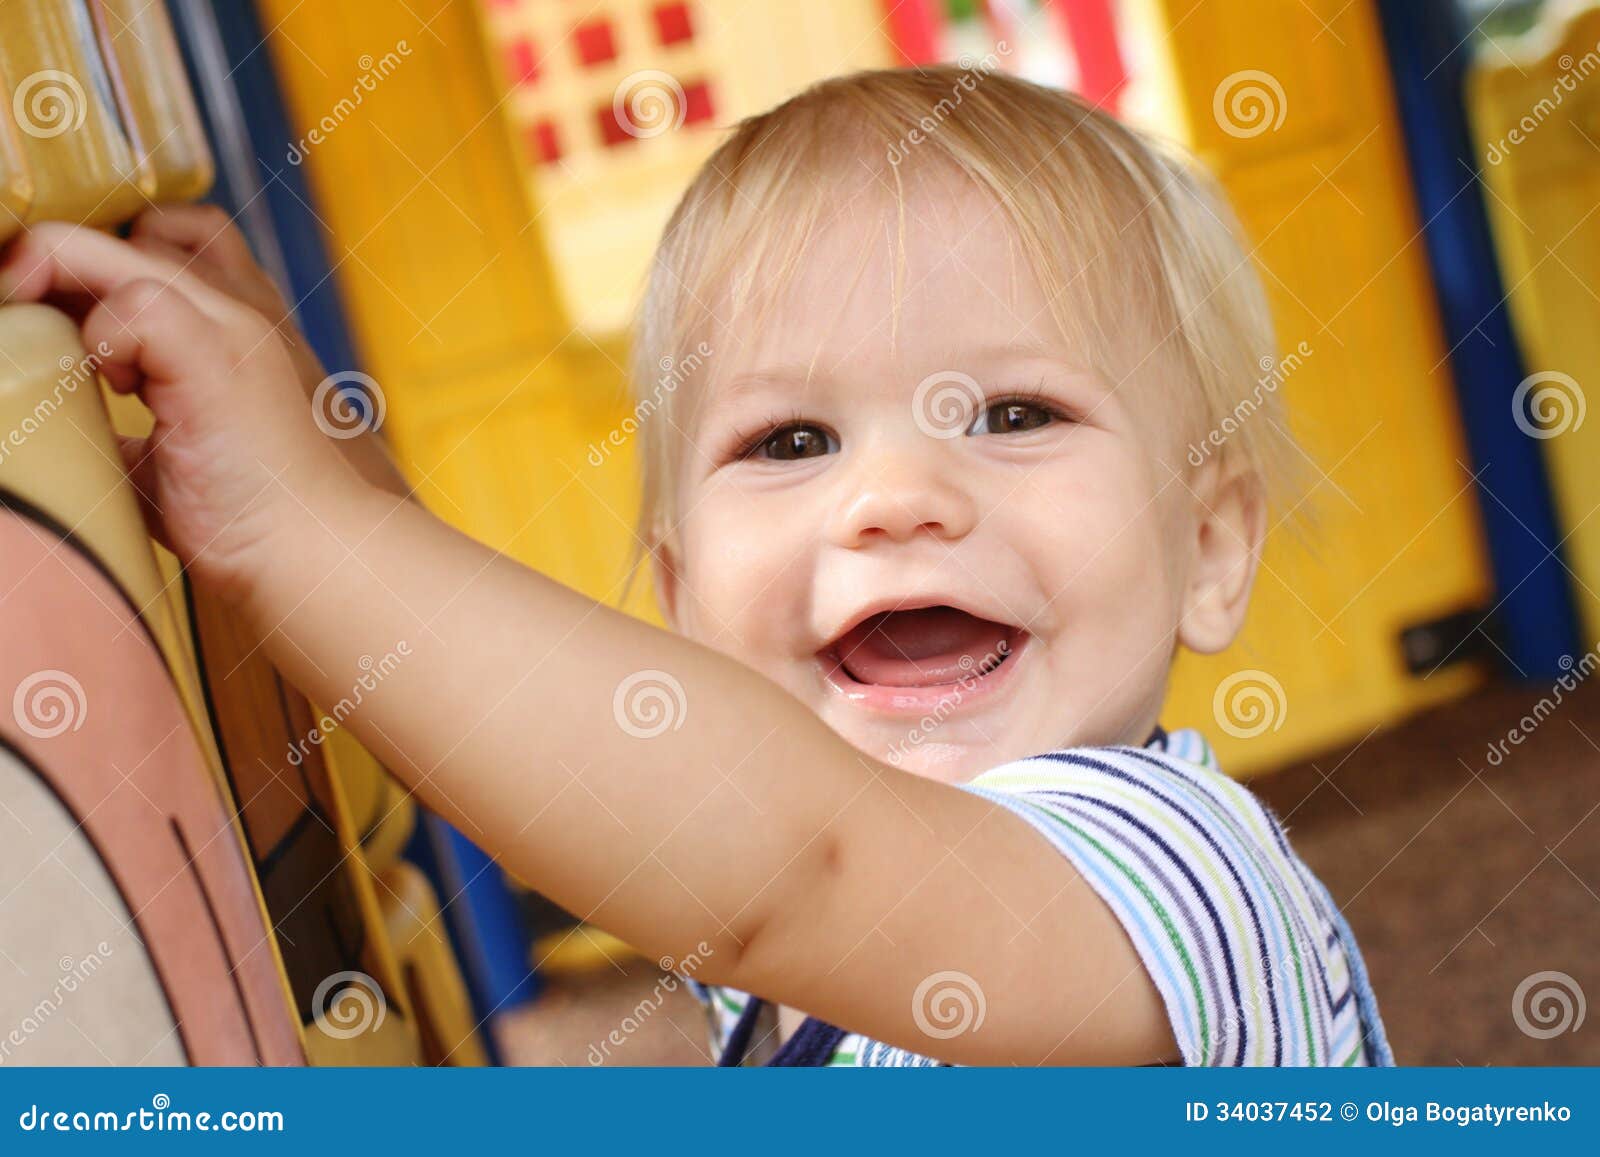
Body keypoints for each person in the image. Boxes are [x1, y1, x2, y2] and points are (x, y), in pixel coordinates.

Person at [0, 66, 1390, 1067]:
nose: (895, 498)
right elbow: (560, 738)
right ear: (678, 605)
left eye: (1016, 415)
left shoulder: (1185, 881)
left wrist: (296, 529)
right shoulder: (782, 962)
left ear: (1209, 547)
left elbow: (801, 863)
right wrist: (327, 458)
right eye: (791, 438)